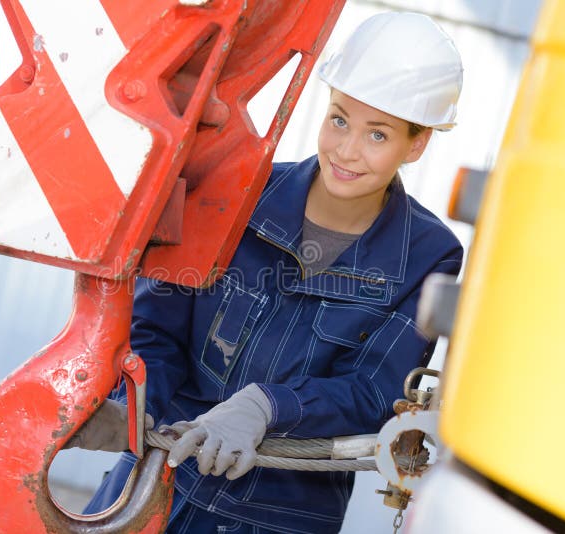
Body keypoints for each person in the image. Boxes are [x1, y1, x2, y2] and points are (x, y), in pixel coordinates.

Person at [67, 11, 464, 534]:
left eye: (378, 134)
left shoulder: (427, 255)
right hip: (155, 485)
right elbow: (157, 332)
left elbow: (374, 391)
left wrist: (266, 406)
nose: (347, 151)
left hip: (278, 516)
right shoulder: (236, 194)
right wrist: (130, 405)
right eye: (339, 120)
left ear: (416, 144)